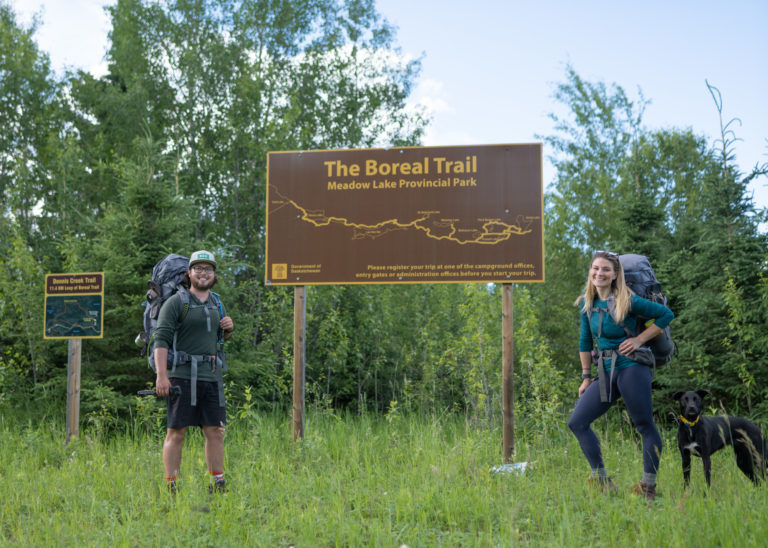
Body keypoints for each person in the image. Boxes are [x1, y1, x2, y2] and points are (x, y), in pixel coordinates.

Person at [567, 250, 674, 500]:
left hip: (632, 368)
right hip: (605, 370)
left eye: (605, 269)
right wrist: (585, 377)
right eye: (595, 268)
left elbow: (665, 314)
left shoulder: (628, 300)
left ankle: (648, 487)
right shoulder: (587, 303)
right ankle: (603, 481)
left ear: (615, 274)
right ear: (590, 271)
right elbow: (585, 341)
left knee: (644, 425)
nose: (599, 273)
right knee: (577, 422)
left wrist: (639, 339)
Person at [154, 250, 234, 494]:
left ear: (214, 275)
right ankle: (171, 486)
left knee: (215, 431)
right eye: (198, 268)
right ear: (188, 274)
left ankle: (217, 483)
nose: (203, 273)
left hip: (211, 376)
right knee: (177, 432)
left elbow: (217, 338)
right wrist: (162, 375)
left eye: (208, 269)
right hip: (182, 376)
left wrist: (228, 329)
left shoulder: (216, 303)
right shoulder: (176, 302)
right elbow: (161, 340)